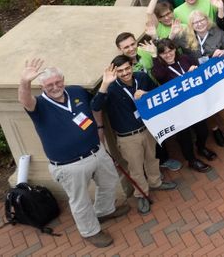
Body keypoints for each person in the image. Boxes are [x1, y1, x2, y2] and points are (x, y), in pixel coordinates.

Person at [19, 58, 128, 247]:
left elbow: (95, 106)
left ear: (64, 80)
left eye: (58, 82)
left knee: (109, 182)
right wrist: (24, 81)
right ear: (42, 87)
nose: (55, 87)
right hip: (69, 165)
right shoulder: (38, 105)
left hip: (97, 152)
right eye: (49, 84)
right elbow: (25, 100)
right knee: (80, 200)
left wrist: (104, 85)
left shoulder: (76, 91)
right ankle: (90, 231)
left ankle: (104, 212)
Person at [92, 56, 178, 214]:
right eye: (120, 71)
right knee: (136, 167)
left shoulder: (142, 78)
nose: (125, 73)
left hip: (147, 128)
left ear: (132, 66)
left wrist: (146, 93)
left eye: (127, 68)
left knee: (152, 158)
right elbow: (95, 106)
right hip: (128, 136)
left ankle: (156, 182)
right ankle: (141, 194)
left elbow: (157, 92)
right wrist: (104, 84)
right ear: (115, 73)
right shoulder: (111, 89)